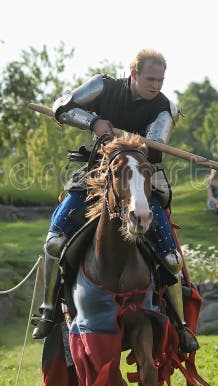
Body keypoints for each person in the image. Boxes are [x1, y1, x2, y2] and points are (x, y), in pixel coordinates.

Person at [31, 49, 199, 353]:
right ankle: (49, 309)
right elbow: (61, 106)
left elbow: (156, 148)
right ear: (133, 74)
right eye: (150, 78)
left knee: (171, 258)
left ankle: (178, 323)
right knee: (55, 241)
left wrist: (128, 142)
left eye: (160, 79)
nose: (156, 85)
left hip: (137, 178)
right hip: (96, 175)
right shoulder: (103, 86)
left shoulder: (165, 108)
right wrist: (93, 122)